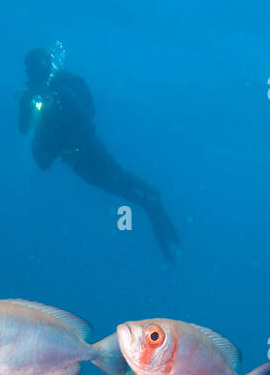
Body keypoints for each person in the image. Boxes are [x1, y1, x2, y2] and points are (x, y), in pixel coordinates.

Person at [18, 48, 180, 262]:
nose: (31, 74)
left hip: (89, 148)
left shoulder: (64, 85)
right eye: (29, 70)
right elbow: (23, 128)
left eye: (35, 68)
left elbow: (87, 116)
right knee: (112, 186)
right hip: (73, 159)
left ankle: (151, 199)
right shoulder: (31, 97)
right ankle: (149, 202)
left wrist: (58, 100)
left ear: (45, 66)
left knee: (117, 180)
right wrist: (29, 105)